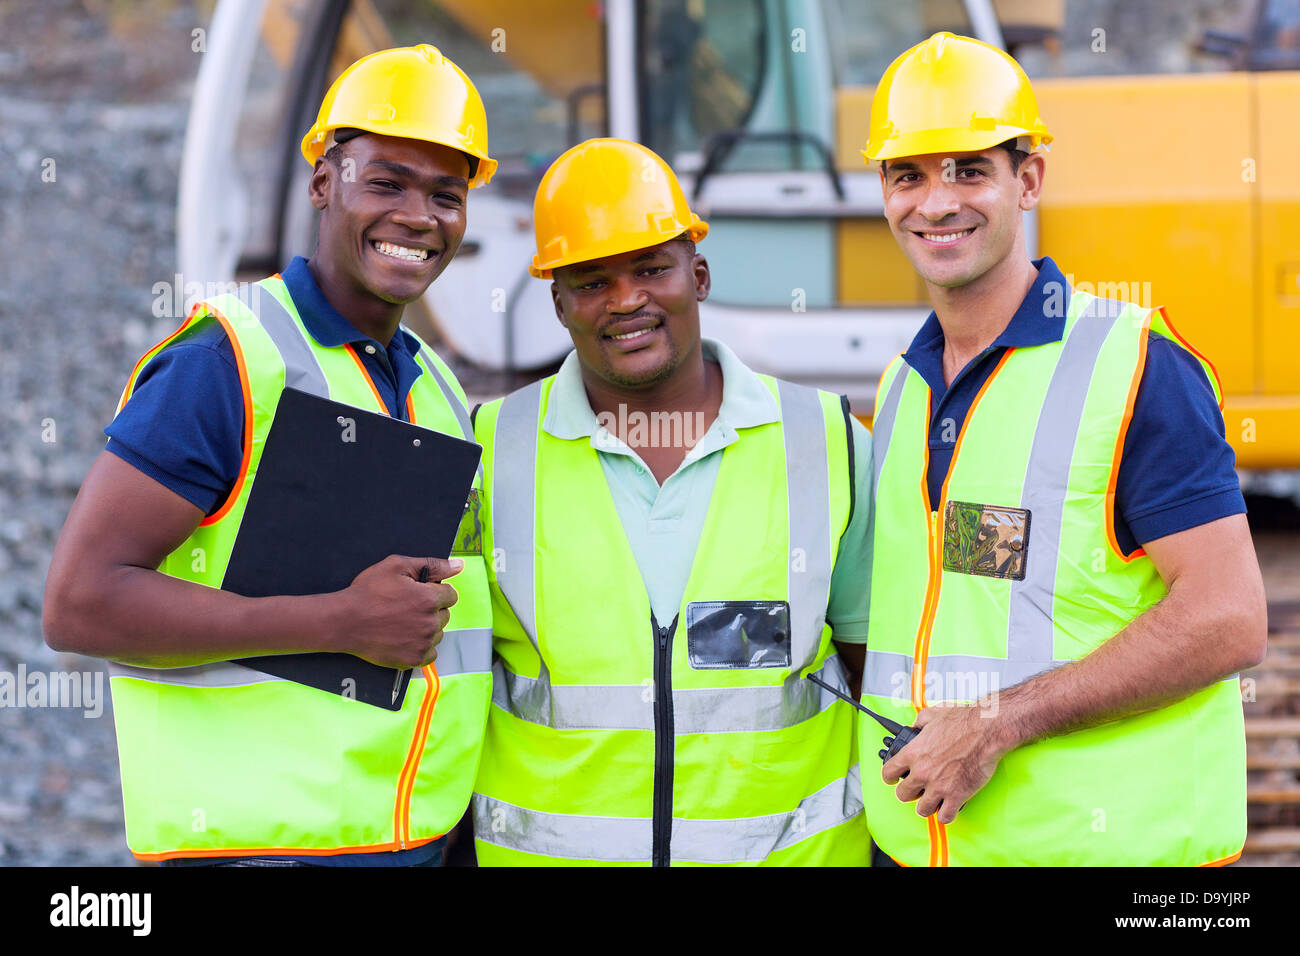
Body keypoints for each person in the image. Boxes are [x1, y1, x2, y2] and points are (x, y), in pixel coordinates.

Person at [42, 45, 496, 866]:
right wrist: (336, 622)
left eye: (446, 194)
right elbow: (79, 604)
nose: (419, 216)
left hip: (412, 842)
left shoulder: (435, 383)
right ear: (323, 181)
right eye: (386, 181)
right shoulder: (227, 362)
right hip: (261, 851)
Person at [857, 32, 1267, 866]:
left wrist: (1000, 721)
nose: (937, 203)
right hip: (924, 852)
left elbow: (1228, 618)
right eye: (910, 175)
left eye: (970, 170)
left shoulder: (1135, 366)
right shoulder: (904, 388)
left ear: (1029, 179)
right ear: (885, 193)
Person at [469, 138, 872, 866]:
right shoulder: (488, 452)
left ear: (700, 274)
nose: (627, 300)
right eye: (591, 282)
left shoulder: (828, 441)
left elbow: (878, 667)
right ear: (558, 303)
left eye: (652, 268)